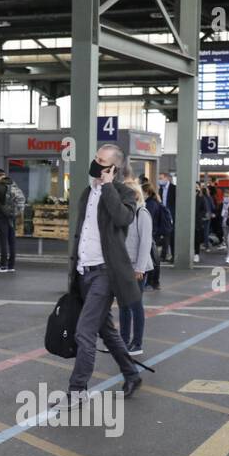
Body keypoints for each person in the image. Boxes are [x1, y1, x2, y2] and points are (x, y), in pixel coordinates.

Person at [66, 144, 143, 403]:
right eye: (95, 157)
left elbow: (122, 219)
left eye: (101, 160)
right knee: (107, 331)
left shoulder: (125, 193)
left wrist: (109, 186)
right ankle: (132, 374)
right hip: (83, 271)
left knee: (84, 332)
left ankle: (77, 391)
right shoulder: (88, 192)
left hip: (105, 273)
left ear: (113, 168)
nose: (95, 163)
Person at [119, 177, 153, 357]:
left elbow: (145, 243)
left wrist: (139, 268)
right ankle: (123, 341)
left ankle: (137, 343)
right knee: (124, 305)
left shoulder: (142, 213)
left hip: (136, 268)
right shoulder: (124, 214)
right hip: (123, 266)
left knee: (135, 305)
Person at [143, 182, 164, 288]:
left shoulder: (150, 204)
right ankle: (154, 282)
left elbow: (148, 220)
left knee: (152, 259)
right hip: (154, 233)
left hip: (151, 233)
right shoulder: (155, 202)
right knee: (153, 258)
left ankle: (153, 281)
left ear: (146, 192)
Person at [155, 172, 177, 262]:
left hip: (171, 215)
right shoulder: (160, 189)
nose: (160, 180)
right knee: (164, 235)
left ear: (167, 178)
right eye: (159, 178)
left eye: (161, 178)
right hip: (162, 215)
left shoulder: (174, 189)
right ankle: (163, 255)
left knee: (171, 236)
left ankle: (172, 255)